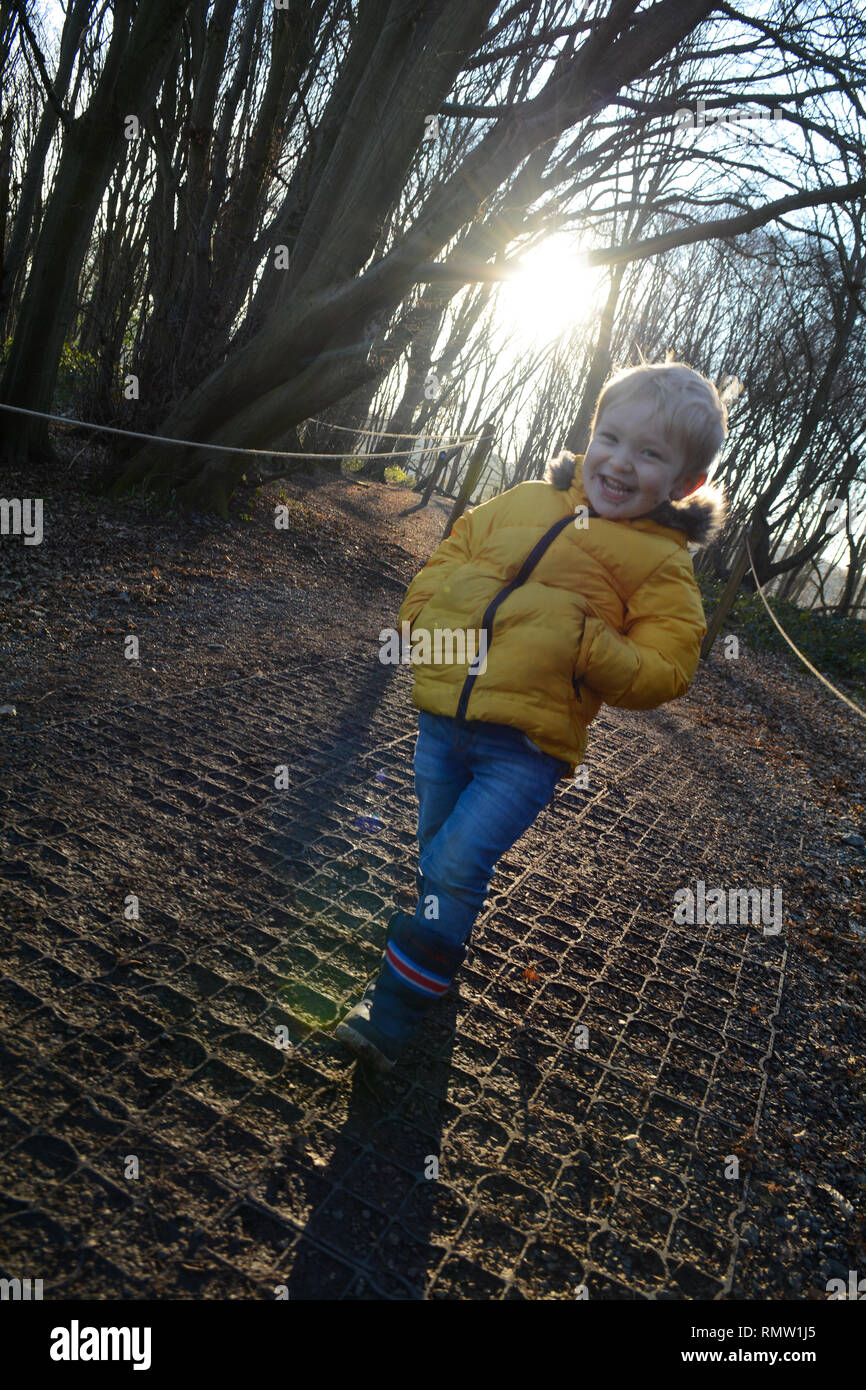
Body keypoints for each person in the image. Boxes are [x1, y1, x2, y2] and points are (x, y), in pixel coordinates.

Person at [335, 360, 728, 1072]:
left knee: (456, 863)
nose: (620, 462)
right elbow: (454, 547)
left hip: (525, 750)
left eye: (650, 453)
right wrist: (426, 610)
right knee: (435, 852)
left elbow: (668, 666)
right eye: (612, 437)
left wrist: (587, 645)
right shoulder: (524, 500)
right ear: (591, 433)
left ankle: (392, 1013)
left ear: (684, 484)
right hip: (442, 720)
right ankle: (436, 954)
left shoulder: (660, 565)